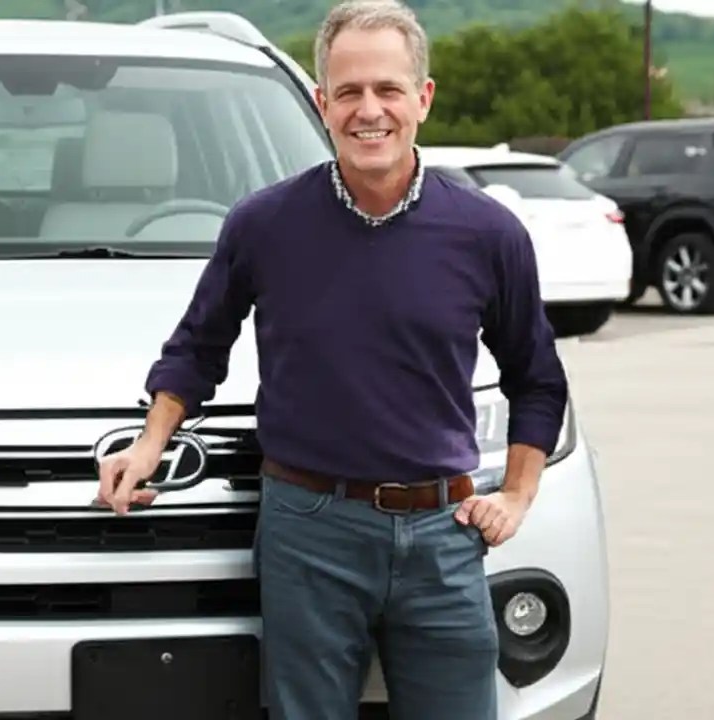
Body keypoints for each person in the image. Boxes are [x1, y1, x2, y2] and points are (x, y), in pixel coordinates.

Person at [95, 1, 570, 718]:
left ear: (423, 99)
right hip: (307, 532)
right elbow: (197, 348)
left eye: (387, 90)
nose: (368, 110)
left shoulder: (487, 234)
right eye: (348, 92)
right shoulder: (263, 225)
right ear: (322, 103)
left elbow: (538, 376)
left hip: (444, 535)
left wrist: (517, 495)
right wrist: (149, 442)